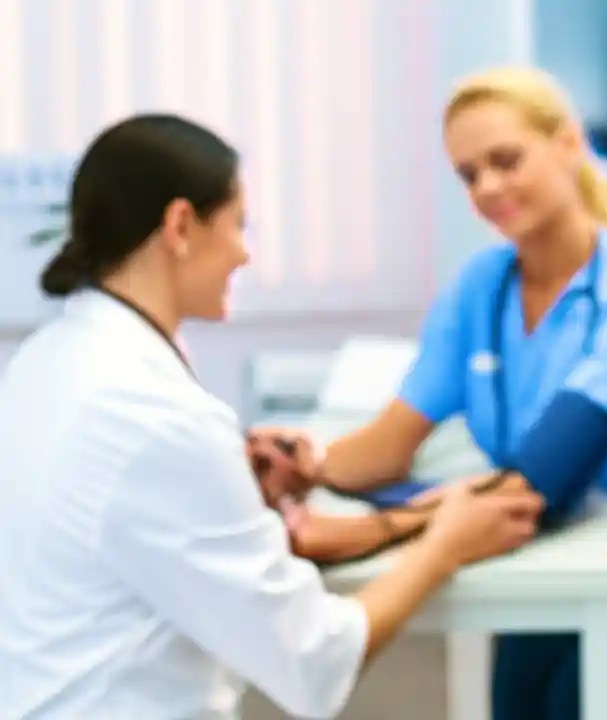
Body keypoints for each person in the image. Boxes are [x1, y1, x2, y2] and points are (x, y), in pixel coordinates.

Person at [0, 114, 544, 719]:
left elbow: (133, 515)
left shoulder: (47, 360)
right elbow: (315, 658)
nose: (243, 253)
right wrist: (445, 545)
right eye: (238, 225)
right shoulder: (159, 416)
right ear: (181, 225)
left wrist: (235, 492)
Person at [252, 66, 607, 719]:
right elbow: (391, 446)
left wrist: (366, 532)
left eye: (506, 161)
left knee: (572, 708)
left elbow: (539, 483)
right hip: (555, 557)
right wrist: (307, 464)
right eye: (469, 174)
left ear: (568, 146)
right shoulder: (480, 287)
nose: (487, 188)